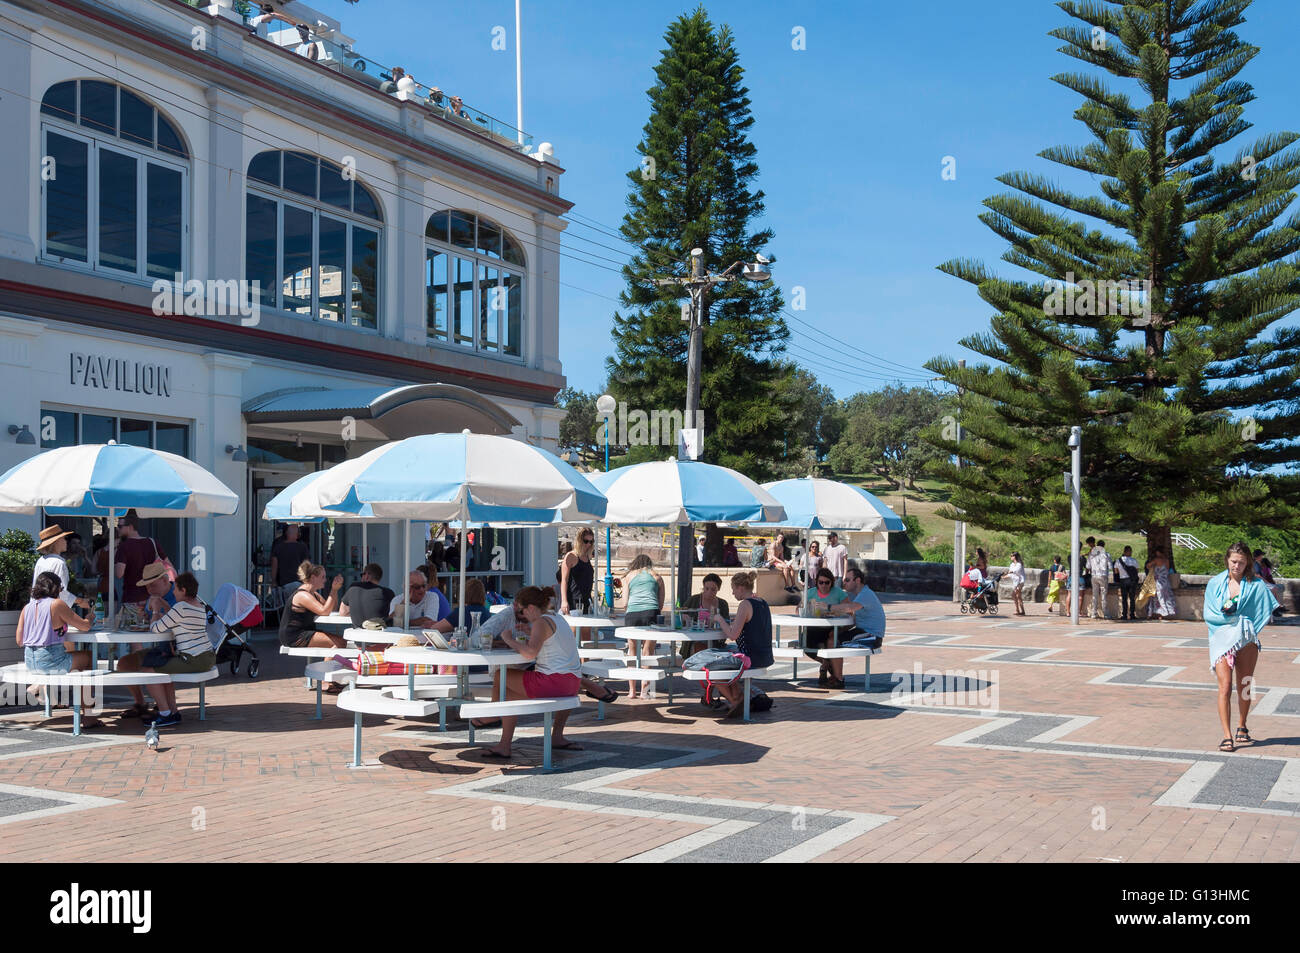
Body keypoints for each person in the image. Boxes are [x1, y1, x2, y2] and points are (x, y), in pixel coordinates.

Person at [475, 586, 584, 760]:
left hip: (553, 682)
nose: (523, 616)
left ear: (531, 608)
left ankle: (494, 715)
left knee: (500, 675)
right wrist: (529, 633)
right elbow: (549, 644)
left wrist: (509, 640)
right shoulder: (557, 618)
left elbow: (530, 653)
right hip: (572, 683)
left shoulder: (541, 622)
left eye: (522, 611)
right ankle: (551, 737)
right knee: (511, 690)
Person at [1204, 542, 1279, 752]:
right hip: (1221, 639)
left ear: (1247, 563)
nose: (1236, 566)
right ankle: (1226, 735)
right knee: (1225, 686)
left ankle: (1242, 724)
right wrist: (1231, 620)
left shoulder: (1256, 585)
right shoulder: (1215, 583)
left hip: (1246, 639)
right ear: (1227, 560)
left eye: (1241, 562)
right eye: (1233, 561)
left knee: (1245, 684)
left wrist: (1245, 624)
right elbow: (1209, 614)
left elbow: (1263, 610)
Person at [116, 573, 215, 729]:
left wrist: (155, 611)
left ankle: (165, 714)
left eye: (176, 589)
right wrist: (163, 604)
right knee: (162, 669)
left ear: (183, 590)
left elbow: (156, 629)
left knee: (148, 671)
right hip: (206, 656)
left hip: (193, 658)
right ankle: (171, 712)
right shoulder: (197, 606)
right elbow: (174, 617)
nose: (173, 592)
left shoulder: (181, 607)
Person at [16, 572, 98, 724]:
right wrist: (90, 617)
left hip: (30, 661)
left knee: (76, 656)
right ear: (55, 588)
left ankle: (85, 712)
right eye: (60, 588)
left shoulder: (27, 607)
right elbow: (85, 626)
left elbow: (19, 640)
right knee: (88, 657)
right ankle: (89, 717)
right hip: (50, 660)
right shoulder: (56, 604)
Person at [713, 572, 773, 718]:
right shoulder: (762, 602)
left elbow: (733, 635)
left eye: (733, 589)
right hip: (765, 656)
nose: (732, 593)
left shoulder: (745, 604)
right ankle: (739, 696)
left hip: (750, 657)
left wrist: (719, 619)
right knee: (724, 653)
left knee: (712, 664)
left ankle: (735, 699)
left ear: (740, 588)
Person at [827, 565, 887, 686]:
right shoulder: (861, 595)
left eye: (847, 580)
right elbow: (855, 619)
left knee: (833, 642)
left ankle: (838, 679)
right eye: (844, 580)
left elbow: (850, 607)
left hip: (871, 636)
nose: (844, 583)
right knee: (831, 637)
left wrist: (828, 607)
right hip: (863, 632)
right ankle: (832, 673)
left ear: (857, 580)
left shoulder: (865, 594)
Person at [619, 555, 663, 700]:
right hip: (651, 612)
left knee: (632, 651)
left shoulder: (629, 576)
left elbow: (625, 602)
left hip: (632, 614)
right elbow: (660, 604)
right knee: (648, 651)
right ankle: (645, 691)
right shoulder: (657, 576)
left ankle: (631, 691)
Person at [280, 562, 345, 650]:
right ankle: (326, 664)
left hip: (305, 631)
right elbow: (324, 612)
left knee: (341, 642)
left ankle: (326, 663)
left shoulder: (314, 594)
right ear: (313, 578)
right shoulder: (302, 595)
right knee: (340, 642)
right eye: (322, 577)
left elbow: (331, 608)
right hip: (294, 636)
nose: (325, 580)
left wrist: (336, 590)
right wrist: (333, 590)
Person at [115, 511, 169, 610]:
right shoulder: (152, 542)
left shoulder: (124, 546)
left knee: (133, 625)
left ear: (130, 527)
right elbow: (168, 565)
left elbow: (119, 573)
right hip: (153, 597)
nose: (117, 529)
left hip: (132, 597)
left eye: (120, 526)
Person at [804, 568, 848, 685]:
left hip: (832, 627)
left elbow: (848, 610)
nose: (824, 585)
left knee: (831, 641)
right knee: (805, 643)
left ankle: (828, 670)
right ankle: (826, 663)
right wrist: (807, 609)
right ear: (817, 582)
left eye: (827, 582)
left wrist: (831, 611)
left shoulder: (839, 593)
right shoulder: (810, 593)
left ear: (831, 582)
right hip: (814, 626)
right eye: (821, 582)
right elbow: (799, 609)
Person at [33, 524, 88, 611]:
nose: (66, 541)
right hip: (52, 612)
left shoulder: (41, 561)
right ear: (56, 542)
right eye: (63, 538)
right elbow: (61, 592)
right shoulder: (59, 563)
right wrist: (80, 601)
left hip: (37, 609)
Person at [682, 572, 731, 661]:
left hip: (715, 641)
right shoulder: (694, 600)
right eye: (706, 588)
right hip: (694, 640)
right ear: (703, 587)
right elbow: (680, 613)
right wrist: (683, 617)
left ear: (718, 589)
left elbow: (727, 624)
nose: (709, 592)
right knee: (699, 648)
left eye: (713, 589)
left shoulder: (723, 604)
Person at [339, 563, 395, 628]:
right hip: (380, 634)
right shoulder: (388, 593)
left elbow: (343, 612)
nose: (361, 577)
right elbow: (392, 615)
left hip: (358, 634)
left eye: (362, 574)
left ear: (367, 576)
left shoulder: (353, 588)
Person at [558, 529, 596, 615]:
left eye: (591, 541)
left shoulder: (587, 557)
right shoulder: (571, 556)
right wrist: (564, 601)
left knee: (587, 627)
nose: (589, 544)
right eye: (586, 541)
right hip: (574, 600)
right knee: (575, 627)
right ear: (579, 541)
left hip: (587, 600)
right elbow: (564, 580)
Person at [269, 524, 308, 601]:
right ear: (297, 534)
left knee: (285, 606)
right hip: (299, 582)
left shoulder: (278, 547)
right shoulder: (303, 547)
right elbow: (306, 565)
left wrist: (273, 581)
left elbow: (274, 566)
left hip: (283, 583)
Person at [1144, 547, 1177, 621]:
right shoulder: (1167, 561)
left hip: (1158, 582)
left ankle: (1157, 613)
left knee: (1156, 598)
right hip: (1165, 581)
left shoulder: (1156, 560)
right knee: (1164, 597)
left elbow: (1148, 566)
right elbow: (1167, 570)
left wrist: (1152, 566)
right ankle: (1163, 613)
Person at [1087, 540, 1112, 620]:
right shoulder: (1106, 554)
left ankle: (1093, 613)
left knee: (1095, 595)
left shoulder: (1091, 555)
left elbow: (1088, 566)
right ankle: (1106, 613)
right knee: (1103, 595)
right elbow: (1110, 566)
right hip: (1103, 575)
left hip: (1094, 576)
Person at [1114, 545, 1140, 620]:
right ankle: (1132, 615)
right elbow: (1136, 571)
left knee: (1124, 599)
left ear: (1124, 551)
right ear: (1130, 552)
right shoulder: (1134, 560)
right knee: (1132, 599)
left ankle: (1124, 615)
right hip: (1132, 581)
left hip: (1123, 581)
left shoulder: (1118, 560)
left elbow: (1116, 571)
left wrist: (1122, 573)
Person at [1078, 537, 1094, 617]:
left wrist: (1087, 572)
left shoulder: (1070, 556)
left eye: (1088, 543)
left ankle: (1069, 611)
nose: (1088, 545)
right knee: (1080, 595)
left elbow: (1088, 565)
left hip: (1093, 572)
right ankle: (1079, 611)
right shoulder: (1095, 549)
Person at [1007, 551, 1026, 616]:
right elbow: (1010, 573)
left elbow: (1015, 571)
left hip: (1020, 581)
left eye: (1011, 556)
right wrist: (1003, 576)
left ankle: (1019, 610)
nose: (1010, 557)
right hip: (1015, 582)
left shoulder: (1019, 564)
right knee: (1017, 596)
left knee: (1015, 594)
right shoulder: (1012, 565)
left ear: (1015, 557)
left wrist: (1010, 572)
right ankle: (1020, 610)